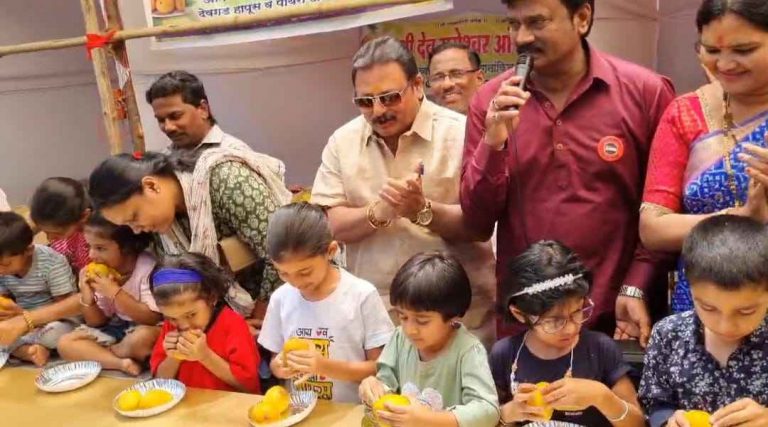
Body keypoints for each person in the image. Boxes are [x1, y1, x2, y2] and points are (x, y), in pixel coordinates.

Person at [460, 0, 676, 345]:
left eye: (537, 22)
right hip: (528, 323)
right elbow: (476, 222)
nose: (522, 37)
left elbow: (665, 207)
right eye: (514, 25)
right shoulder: (491, 100)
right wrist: (493, 142)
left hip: (620, 317)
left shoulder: (645, 92)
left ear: (583, 18)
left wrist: (637, 284)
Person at [311, 35, 497, 348]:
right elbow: (327, 225)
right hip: (378, 322)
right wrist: (377, 212)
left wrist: (421, 210)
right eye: (365, 102)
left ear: (418, 85)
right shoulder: (342, 142)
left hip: (457, 322)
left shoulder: (462, 133)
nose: (378, 110)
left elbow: (479, 225)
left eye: (390, 97)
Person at [640, 0, 768, 313]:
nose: (725, 64)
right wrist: (739, 219)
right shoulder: (685, 113)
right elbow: (653, 229)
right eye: (711, 50)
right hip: (704, 311)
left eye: (744, 50)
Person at [88, 149, 292, 320]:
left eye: (134, 217)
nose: (136, 229)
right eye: (127, 225)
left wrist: (261, 313)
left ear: (151, 186)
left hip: (287, 296)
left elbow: (285, 249)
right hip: (228, 314)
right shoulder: (163, 226)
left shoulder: (226, 181)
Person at [491, 240, 645, 426]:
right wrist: (507, 414)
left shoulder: (600, 349)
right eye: (555, 321)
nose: (571, 328)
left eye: (578, 311)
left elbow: (638, 423)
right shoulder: (505, 354)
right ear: (520, 314)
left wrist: (602, 397)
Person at [639, 215, 768, 427]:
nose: (725, 326)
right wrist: (667, 421)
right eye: (709, 308)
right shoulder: (669, 334)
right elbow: (654, 402)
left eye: (746, 311)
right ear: (690, 290)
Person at [259, 203, 394, 403]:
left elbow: (380, 367)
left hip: (349, 414)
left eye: (305, 272)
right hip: (299, 413)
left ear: (331, 251)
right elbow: (274, 359)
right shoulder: (281, 298)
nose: (296, 283)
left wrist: (323, 366)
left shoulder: (361, 296)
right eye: (283, 273)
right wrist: (279, 367)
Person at [358, 252, 499, 427]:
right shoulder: (400, 337)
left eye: (422, 321)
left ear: (453, 316)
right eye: (403, 317)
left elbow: (487, 410)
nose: (410, 329)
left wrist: (428, 420)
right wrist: (374, 385)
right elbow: (386, 380)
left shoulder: (468, 351)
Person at [57, 214, 161, 376]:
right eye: (89, 247)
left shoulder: (147, 268)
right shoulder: (102, 271)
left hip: (143, 327)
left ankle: (105, 353)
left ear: (127, 247)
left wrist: (115, 293)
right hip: (115, 327)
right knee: (65, 343)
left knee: (143, 338)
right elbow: (97, 322)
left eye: (100, 248)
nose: (91, 255)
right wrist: (88, 298)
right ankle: (120, 362)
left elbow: (152, 318)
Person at [150, 253, 260, 393]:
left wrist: (205, 356)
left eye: (191, 315)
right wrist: (174, 357)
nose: (183, 325)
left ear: (212, 298)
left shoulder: (233, 325)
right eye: (171, 317)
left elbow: (249, 387)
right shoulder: (170, 327)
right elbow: (159, 382)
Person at [0, 212, 79, 366]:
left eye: (6, 264)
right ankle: (30, 351)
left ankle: (30, 349)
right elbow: (5, 299)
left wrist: (24, 316)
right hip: (21, 322)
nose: (0, 270)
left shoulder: (52, 263)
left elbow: (65, 308)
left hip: (52, 321)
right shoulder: (2, 269)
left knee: (58, 332)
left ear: (28, 250)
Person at [146, 70, 251, 153]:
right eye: (160, 120)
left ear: (203, 109)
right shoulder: (165, 161)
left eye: (175, 116)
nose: (168, 127)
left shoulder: (234, 155)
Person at [30, 177, 91, 272]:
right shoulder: (55, 223)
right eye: (45, 232)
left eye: (57, 234)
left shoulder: (94, 242)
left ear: (83, 216)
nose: (49, 239)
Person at [427, 42, 485, 114]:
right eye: (438, 77)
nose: (447, 85)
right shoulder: (421, 124)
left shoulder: (497, 121)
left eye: (456, 74)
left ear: (479, 78)